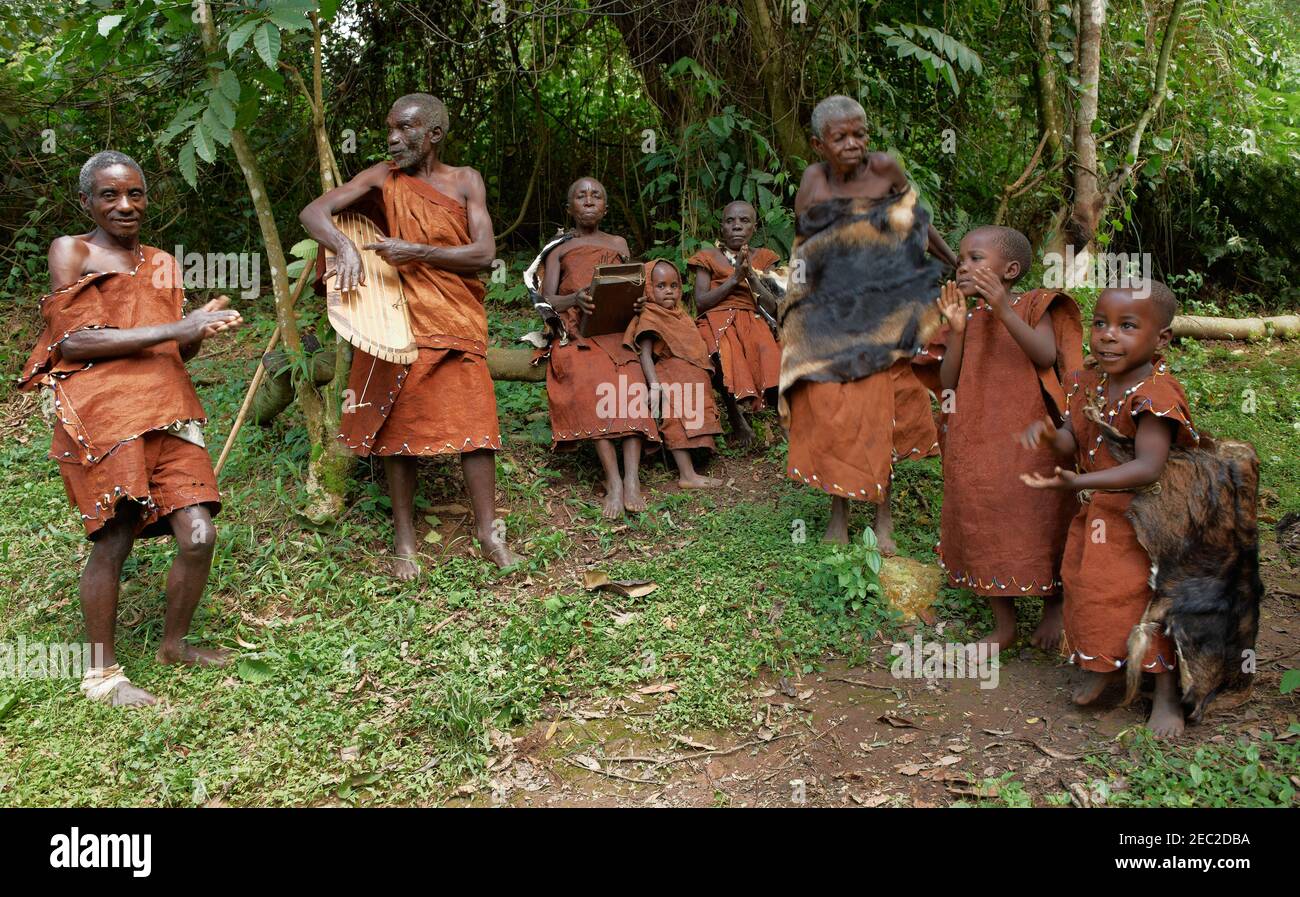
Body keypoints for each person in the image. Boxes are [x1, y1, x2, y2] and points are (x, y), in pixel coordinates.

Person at [18, 151, 242, 706]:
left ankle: (174, 645)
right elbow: (74, 341)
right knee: (114, 538)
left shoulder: (163, 261)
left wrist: (198, 328)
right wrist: (178, 324)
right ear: (87, 202)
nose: (125, 205)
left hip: (169, 409)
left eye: (135, 194)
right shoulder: (73, 250)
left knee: (199, 534)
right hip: (104, 416)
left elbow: (175, 346)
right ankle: (101, 675)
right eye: (110, 195)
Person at [299, 93, 521, 578]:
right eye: (389, 130)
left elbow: (483, 254)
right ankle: (404, 538)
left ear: (434, 134)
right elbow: (314, 212)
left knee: (477, 423)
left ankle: (488, 530)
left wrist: (416, 250)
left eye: (405, 130)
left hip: (455, 316)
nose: (393, 139)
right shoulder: (382, 176)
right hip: (399, 318)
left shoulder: (466, 181)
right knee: (400, 423)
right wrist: (344, 247)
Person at [1020, 281, 1194, 737]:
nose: (1108, 335)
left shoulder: (1155, 395)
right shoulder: (1086, 382)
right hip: (1098, 516)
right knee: (1086, 586)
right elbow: (1073, 440)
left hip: (1144, 522)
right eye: (1100, 324)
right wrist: (1047, 436)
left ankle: (1167, 695)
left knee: (1143, 600)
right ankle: (1104, 666)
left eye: (1127, 326)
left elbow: (1149, 468)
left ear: (1161, 340)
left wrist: (1081, 480)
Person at [785, 94, 957, 551]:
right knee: (832, 405)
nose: (853, 144)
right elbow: (806, 250)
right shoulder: (812, 183)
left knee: (885, 405)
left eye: (860, 133)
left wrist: (953, 261)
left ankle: (883, 513)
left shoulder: (886, 171)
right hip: (834, 310)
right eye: (840, 137)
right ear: (819, 144)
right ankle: (838, 512)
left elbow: (916, 222)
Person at [933, 225, 1082, 649]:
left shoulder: (1036, 305)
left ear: (1011, 269)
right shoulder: (968, 315)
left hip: (1032, 438)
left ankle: (1054, 607)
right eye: (961, 259)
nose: (964, 265)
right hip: (978, 438)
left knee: (1041, 514)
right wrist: (958, 330)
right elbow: (948, 381)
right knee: (982, 515)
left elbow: (1045, 354)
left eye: (976, 258)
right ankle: (1005, 623)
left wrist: (1002, 307)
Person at [538, 176, 659, 518]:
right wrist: (574, 298)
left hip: (616, 330)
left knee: (632, 376)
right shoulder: (558, 248)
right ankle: (614, 481)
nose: (589, 200)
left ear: (605, 207)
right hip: (577, 333)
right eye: (581, 195)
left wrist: (634, 304)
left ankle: (632, 479)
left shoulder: (619, 243)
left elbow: (630, 285)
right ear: (569, 207)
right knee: (589, 376)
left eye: (597, 195)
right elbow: (546, 300)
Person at [688, 201, 782, 447]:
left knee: (767, 350)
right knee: (720, 351)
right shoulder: (707, 257)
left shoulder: (764, 258)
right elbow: (700, 302)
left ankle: (784, 421)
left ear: (754, 227)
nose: (736, 226)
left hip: (753, 318)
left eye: (744, 221)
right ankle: (736, 418)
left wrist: (750, 275)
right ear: (722, 227)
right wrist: (733, 280)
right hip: (715, 319)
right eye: (730, 221)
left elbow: (772, 306)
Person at [626, 260, 724, 489]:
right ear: (648, 289)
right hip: (669, 377)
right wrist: (655, 386)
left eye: (674, 285)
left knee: (695, 415)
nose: (669, 291)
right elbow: (645, 354)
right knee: (677, 421)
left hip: (690, 377)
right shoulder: (650, 315)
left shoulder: (680, 314)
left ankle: (696, 465)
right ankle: (687, 474)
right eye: (660, 286)